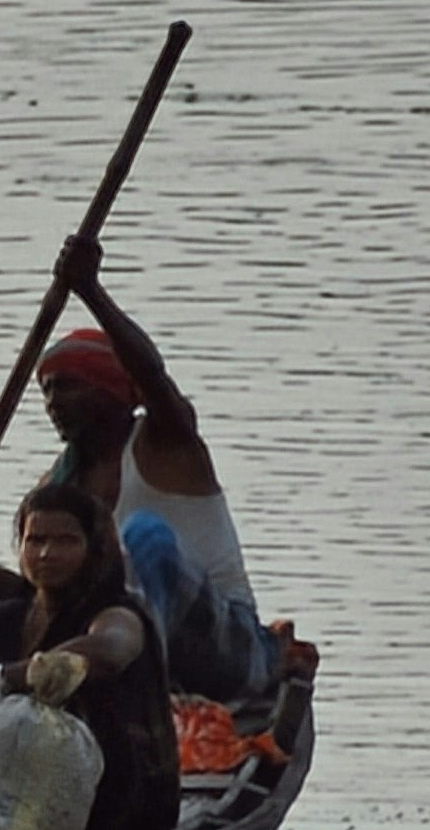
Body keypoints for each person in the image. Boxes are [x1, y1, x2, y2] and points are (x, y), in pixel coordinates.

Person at [31, 230, 280, 706]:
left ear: (112, 391)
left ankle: (147, 697)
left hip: (230, 652)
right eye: (46, 391)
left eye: (68, 387)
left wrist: (90, 291)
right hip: (122, 649)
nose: (53, 403)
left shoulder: (165, 444)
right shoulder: (59, 487)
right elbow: (36, 598)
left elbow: (151, 376)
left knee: (145, 537)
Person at [0, 469, 180, 830]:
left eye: (66, 541)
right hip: (20, 793)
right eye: (35, 541)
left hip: (120, 811)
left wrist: (11, 675)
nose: (47, 554)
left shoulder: (117, 612)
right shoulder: (19, 613)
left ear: (93, 549)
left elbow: (112, 648)